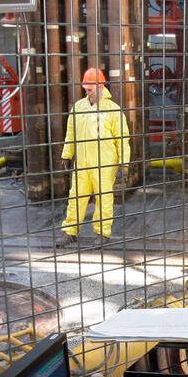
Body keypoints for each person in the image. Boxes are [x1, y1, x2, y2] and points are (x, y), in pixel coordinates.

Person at [58, 68, 130, 245]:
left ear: (101, 86)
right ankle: (70, 231)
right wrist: (67, 155)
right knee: (76, 196)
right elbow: (71, 133)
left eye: (90, 88)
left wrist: (124, 164)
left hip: (105, 163)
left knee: (104, 198)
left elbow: (122, 139)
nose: (87, 91)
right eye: (86, 88)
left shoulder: (113, 110)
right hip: (82, 162)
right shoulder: (79, 107)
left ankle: (102, 234)